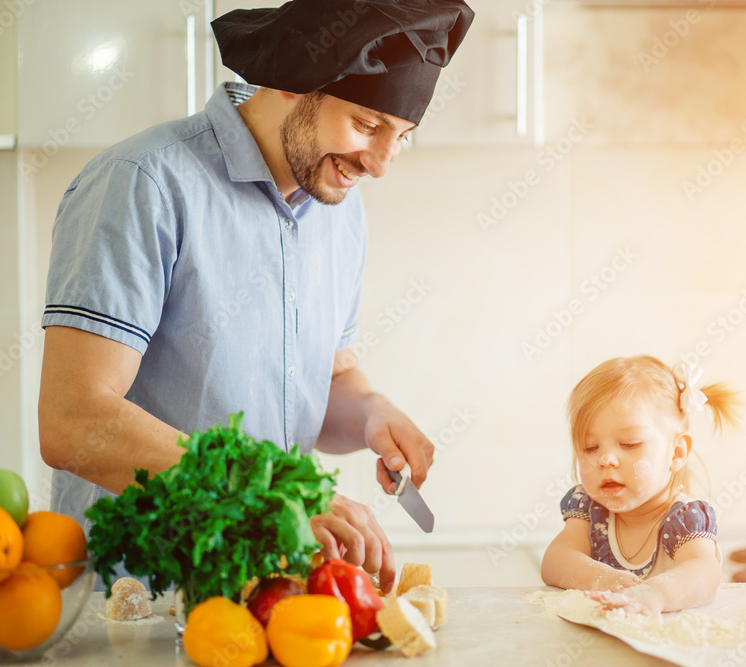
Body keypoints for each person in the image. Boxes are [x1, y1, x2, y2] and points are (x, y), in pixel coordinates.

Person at [37, 0, 474, 593]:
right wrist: (268, 495)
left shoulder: (337, 209)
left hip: (266, 590)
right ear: (294, 81)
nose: (380, 163)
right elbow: (74, 420)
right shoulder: (144, 183)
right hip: (136, 597)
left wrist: (371, 410)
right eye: (368, 125)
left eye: (401, 137)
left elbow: (324, 379)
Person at [541, 356, 740, 614]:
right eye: (590, 447)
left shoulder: (683, 519)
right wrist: (603, 578)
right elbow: (556, 559)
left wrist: (655, 594)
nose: (606, 459)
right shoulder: (590, 511)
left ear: (676, 453)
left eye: (629, 444)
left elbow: (704, 572)